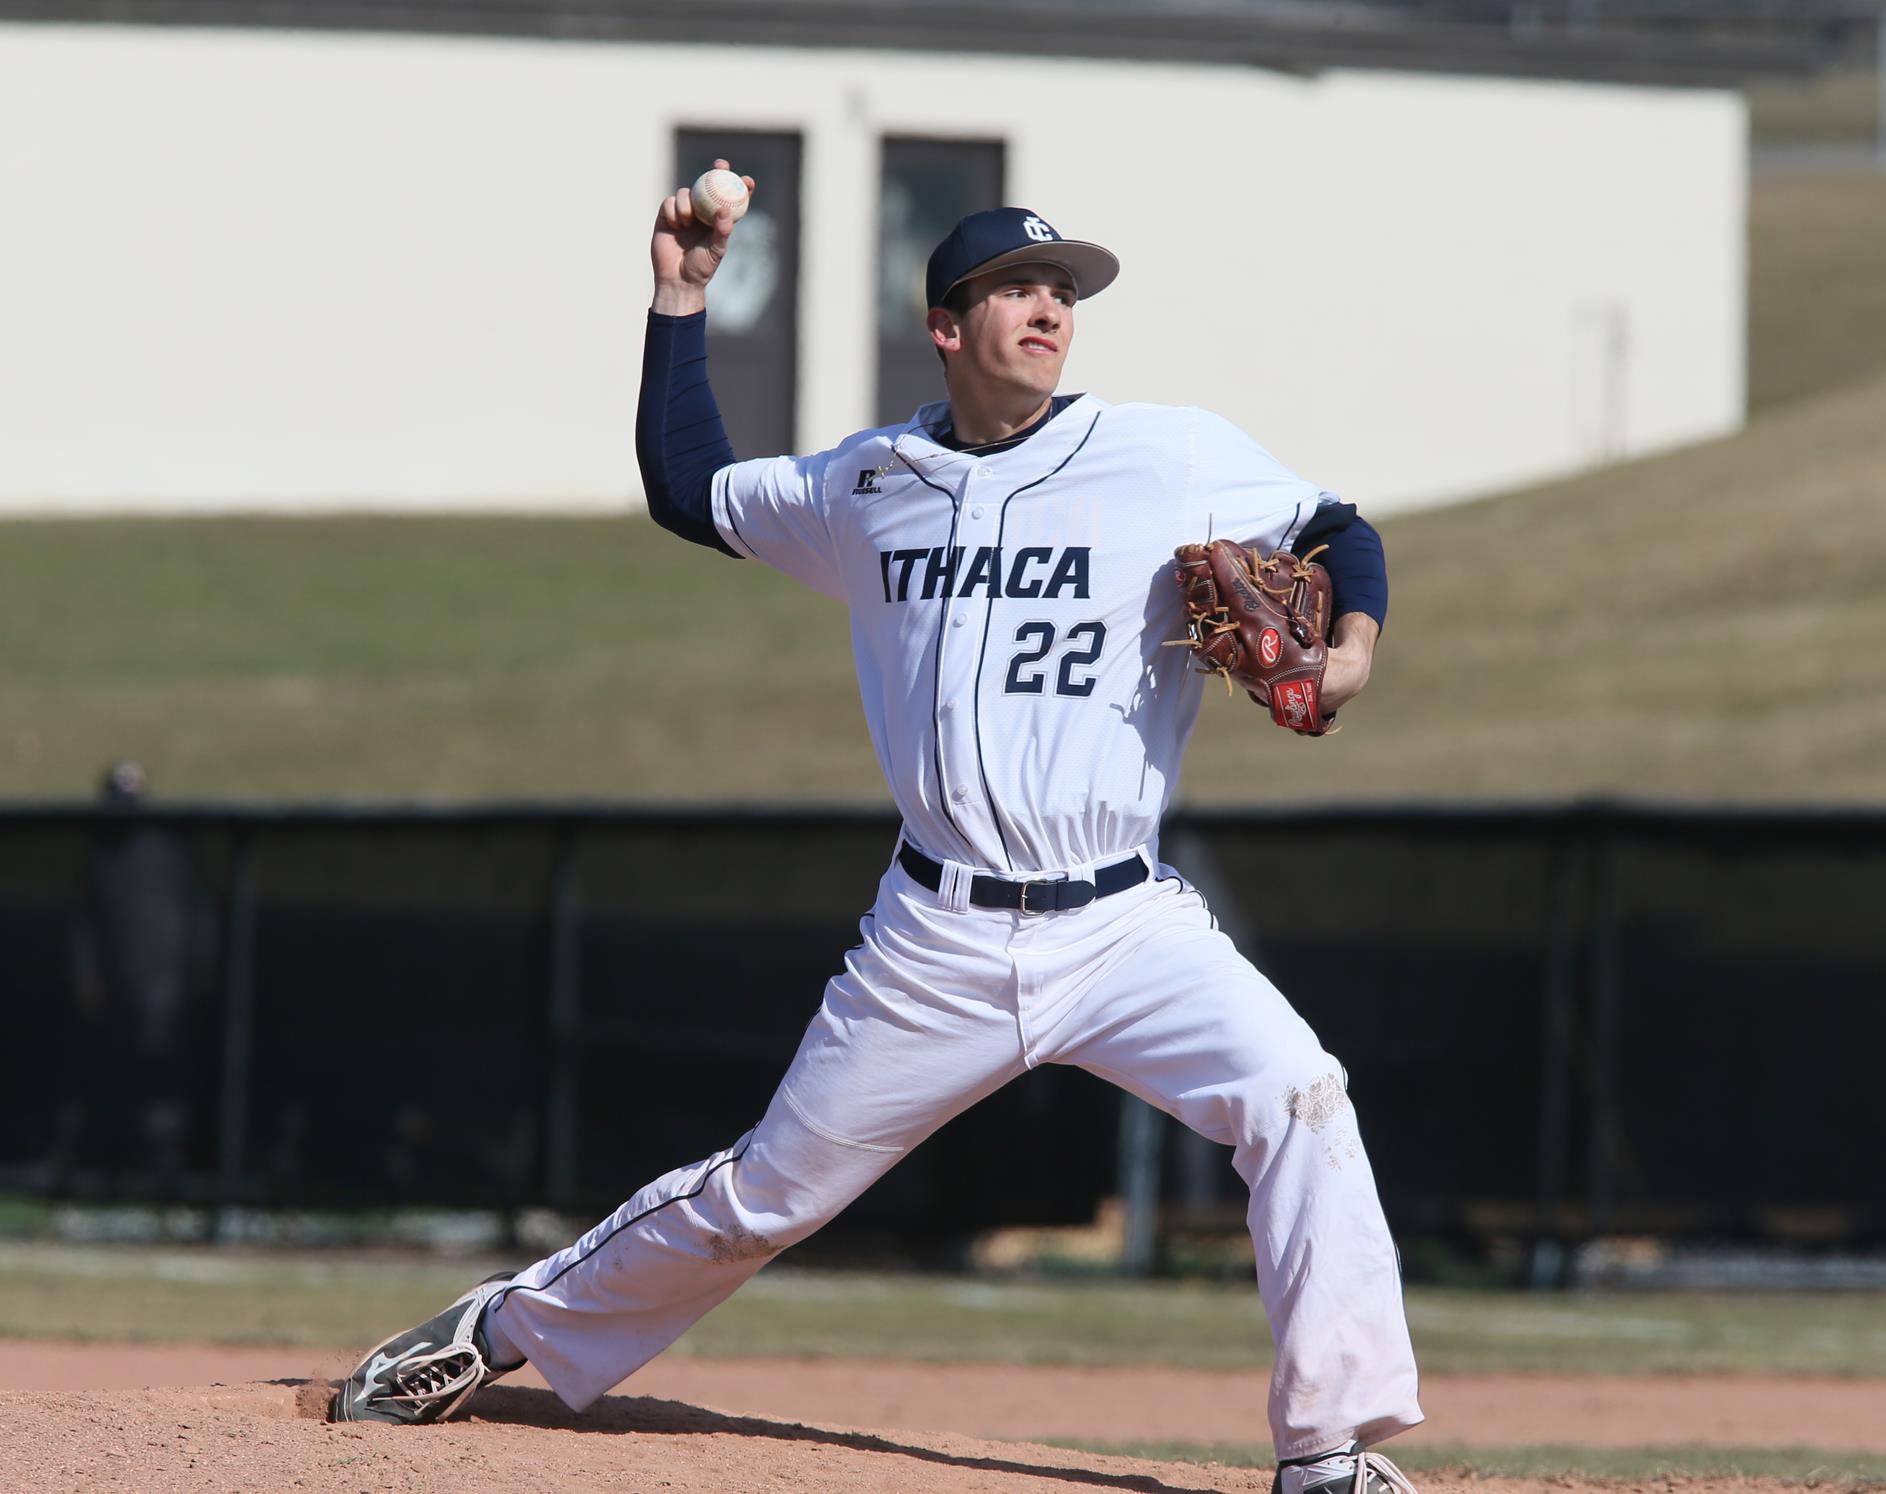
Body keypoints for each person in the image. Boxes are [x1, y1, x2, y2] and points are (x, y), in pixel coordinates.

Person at [334, 162, 1423, 1494]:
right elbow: (693, 490)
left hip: (1131, 923)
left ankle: (1324, 1452)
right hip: (938, 932)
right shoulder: (873, 481)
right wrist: (680, 300)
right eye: (1016, 286)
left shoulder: (1170, 453)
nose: (1049, 306)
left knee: (1302, 1097)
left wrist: (1351, 652)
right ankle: (498, 1328)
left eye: (1062, 288)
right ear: (947, 326)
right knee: (764, 1197)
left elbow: (1334, 526)